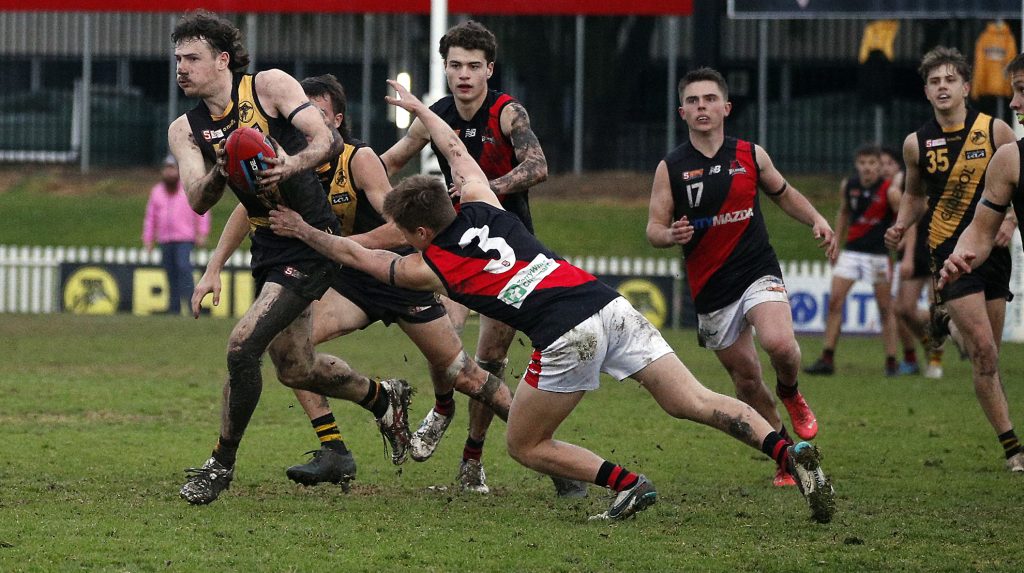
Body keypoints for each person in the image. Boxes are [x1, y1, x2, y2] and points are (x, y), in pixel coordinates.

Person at [268, 79, 837, 523]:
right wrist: (421, 110)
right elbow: (453, 150)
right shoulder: (482, 202)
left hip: (567, 333)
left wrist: (302, 229)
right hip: (606, 304)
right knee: (693, 398)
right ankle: (789, 453)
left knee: (525, 443)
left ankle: (628, 485)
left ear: (417, 233)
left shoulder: (432, 266)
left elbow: (359, 256)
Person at [191, 74, 520, 493]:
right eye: (299, 116)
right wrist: (214, 265)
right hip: (348, 280)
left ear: (337, 121)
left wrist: (337, 244)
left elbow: (401, 231)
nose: (304, 126)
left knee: (464, 375)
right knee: (288, 355)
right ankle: (338, 444)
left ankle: (545, 447)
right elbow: (245, 211)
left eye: (318, 117)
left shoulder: (358, 159)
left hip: (395, 276)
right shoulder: (287, 164)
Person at [167, 9, 412, 505]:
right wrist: (221, 168)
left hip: (312, 236)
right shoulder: (185, 129)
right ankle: (383, 396)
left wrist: (289, 163)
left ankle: (220, 464)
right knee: (296, 367)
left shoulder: (269, 87)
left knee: (241, 347)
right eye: (177, 59)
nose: (181, 68)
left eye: (192, 58)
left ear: (222, 60)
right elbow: (197, 199)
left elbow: (328, 140)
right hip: (270, 242)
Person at [646, 67, 837, 488]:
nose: (702, 107)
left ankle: (790, 391)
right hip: (711, 288)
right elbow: (653, 229)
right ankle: (785, 454)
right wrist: (669, 234)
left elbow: (784, 194)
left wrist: (817, 219)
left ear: (726, 107)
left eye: (710, 99)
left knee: (781, 345)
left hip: (756, 267)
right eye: (693, 100)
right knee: (747, 382)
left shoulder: (751, 155)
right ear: (682, 111)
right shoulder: (672, 167)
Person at [380, 20, 549, 493]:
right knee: (445, 339)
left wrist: (482, 191)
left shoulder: (507, 112)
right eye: (455, 66)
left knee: (490, 357)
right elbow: (391, 161)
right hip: (451, 250)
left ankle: (472, 459)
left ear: (489, 69)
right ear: (446, 69)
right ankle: (443, 408)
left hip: (506, 251)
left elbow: (537, 166)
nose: (464, 75)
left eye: (474, 66)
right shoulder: (433, 115)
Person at [885, 46, 1021, 473]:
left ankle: (946, 327)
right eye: (934, 81)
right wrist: (902, 225)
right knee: (983, 351)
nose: (942, 87)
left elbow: (1016, 182)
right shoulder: (916, 144)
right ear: (926, 92)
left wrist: (1011, 220)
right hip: (949, 251)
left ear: (966, 86)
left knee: (989, 354)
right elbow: (913, 195)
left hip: (995, 252)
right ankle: (1013, 449)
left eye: (950, 80)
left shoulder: (995, 130)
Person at [938, 51, 1024, 473]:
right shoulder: (1010, 159)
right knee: (985, 354)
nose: (1014, 103)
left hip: (994, 270)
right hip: (957, 262)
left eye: (1022, 91)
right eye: (1014, 91)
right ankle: (1013, 449)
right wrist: (959, 257)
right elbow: (982, 230)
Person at [804, 145, 901, 376]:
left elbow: (903, 218)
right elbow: (845, 213)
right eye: (863, 163)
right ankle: (827, 358)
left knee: (885, 309)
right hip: (852, 253)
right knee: (835, 302)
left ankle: (891, 361)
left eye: (872, 163)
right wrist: (836, 242)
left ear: (879, 166)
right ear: (857, 165)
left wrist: (901, 240)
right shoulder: (849, 186)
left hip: (878, 256)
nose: (867, 168)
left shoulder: (890, 191)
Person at [881, 146, 945, 379]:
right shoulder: (903, 186)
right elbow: (909, 222)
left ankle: (936, 359)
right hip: (916, 249)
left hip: (937, 247)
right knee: (903, 309)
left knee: (934, 305)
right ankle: (931, 342)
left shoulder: (938, 183)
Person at [142, 154, 211, 316]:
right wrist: (148, 238)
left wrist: (202, 232)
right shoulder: (157, 192)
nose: (169, 173)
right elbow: (150, 217)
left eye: (172, 169)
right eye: (167, 169)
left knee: (183, 267)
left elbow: (200, 211)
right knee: (170, 272)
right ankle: (174, 307)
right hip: (165, 239)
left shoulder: (187, 190)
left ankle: (191, 302)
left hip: (184, 237)